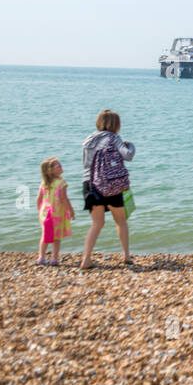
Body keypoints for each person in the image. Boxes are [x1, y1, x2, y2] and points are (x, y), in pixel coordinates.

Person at [80, 109, 136, 269]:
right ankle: (126, 256)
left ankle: (86, 259)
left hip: (90, 184)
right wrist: (130, 145)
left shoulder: (88, 139)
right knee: (120, 221)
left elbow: (85, 165)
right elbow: (128, 156)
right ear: (116, 124)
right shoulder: (114, 138)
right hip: (111, 184)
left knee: (97, 224)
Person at [35, 157, 75, 266]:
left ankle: (41, 258)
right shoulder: (61, 182)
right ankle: (54, 259)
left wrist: (40, 211)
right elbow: (64, 198)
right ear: (51, 170)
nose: (61, 166)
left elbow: (38, 199)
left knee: (45, 236)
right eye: (58, 165)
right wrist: (71, 210)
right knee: (56, 237)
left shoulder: (44, 182)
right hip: (57, 213)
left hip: (45, 213)